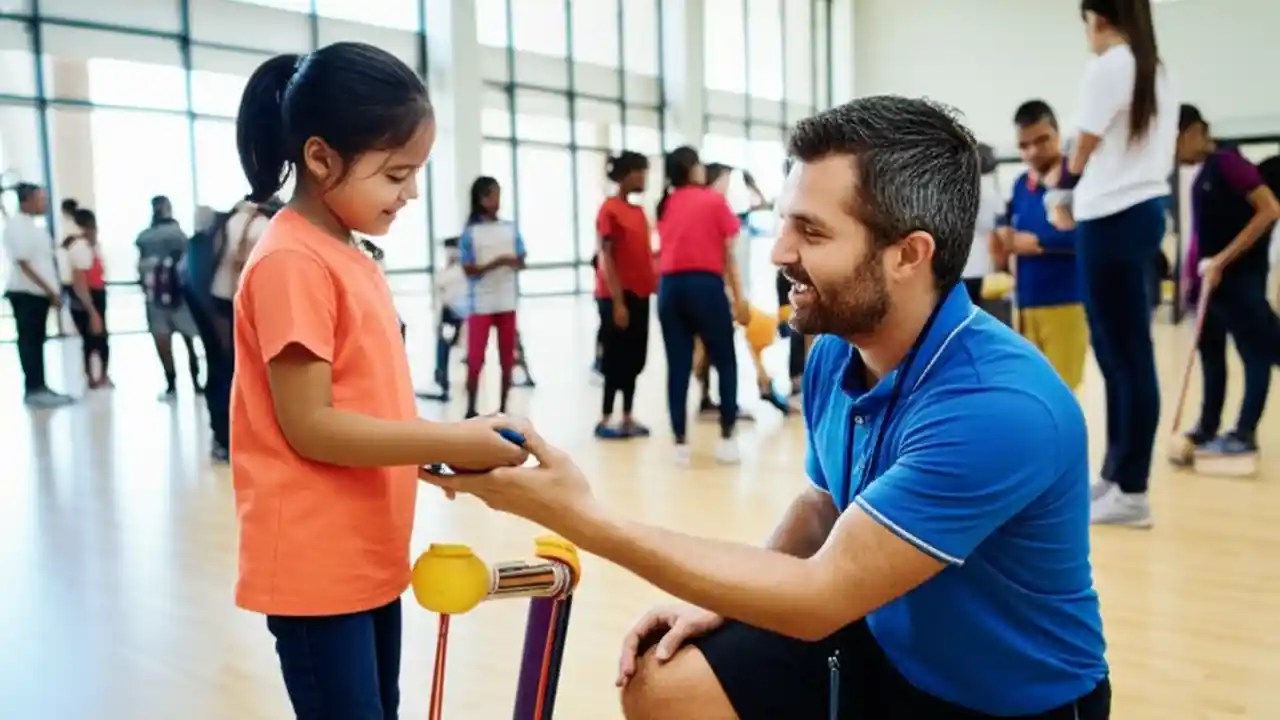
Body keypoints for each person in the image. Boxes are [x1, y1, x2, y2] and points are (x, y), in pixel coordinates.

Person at [425, 96, 1110, 719]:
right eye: (785, 222)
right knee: (664, 682)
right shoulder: (838, 350)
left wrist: (580, 517)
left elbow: (819, 598)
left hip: (1008, 705)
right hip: (884, 647)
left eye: (811, 233)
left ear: (909, 254)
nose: (779, 252)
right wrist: (712, 600)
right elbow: (821, 506)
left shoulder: (998, 407)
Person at [229, 42, 530, 719]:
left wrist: (445, 448)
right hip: (315, 564)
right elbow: (311, 426)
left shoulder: (347, 252)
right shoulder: (291, 262)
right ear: (319, 158)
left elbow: (368, 402)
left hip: (365, 551)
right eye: (397, 174)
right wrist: (446, 434)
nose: (412, 192)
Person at [1053, 0, 1176, 528]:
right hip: (1138, 213)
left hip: (1112, 217)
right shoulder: (1153, 68)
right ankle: (1118, 476)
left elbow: (1080, 151)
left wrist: (1062, 195)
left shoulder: (1109, 65)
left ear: (1097, 17)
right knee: (1121, 352)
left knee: (1123, 354)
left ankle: (1132, 490)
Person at [1171, 104, 1280, 463]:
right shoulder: (1198, 173)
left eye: (1174, 144)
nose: (1172, 155)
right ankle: (1207, 427)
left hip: (1240, 281)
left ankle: (1244, 433)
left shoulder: (1229, 163)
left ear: (1192, 133)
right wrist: (1190, 279)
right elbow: (1198, 236)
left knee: (1255, 354)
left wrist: (1223, 259)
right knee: (1211, 358)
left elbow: (1270, 209)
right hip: (1209, 286)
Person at [656, 147, 749, 466]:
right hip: (705, 286)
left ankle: (680, 442)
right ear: (693, 169)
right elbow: (728, 256)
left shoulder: (665, 203)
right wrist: (739, 299)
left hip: (669, 288)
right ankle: (727, 437)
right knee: (725, 360)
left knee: (678, 365)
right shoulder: (713, 200)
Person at [999, 100, 1088, 390]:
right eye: (1024, 145)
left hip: (1066, 302)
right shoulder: (1020, 184)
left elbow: (1090, 236)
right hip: (1025, 304)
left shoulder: (1077, 181)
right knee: (1030, 393)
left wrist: (1040, 242)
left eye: (1042, 140)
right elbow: (1010, 228)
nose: (1033, 151)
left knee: (1061, 394)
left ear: (1058, 135)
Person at [594, 151, 658, 440]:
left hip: (641, 295)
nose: (644, 178)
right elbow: (606, 257)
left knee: (634, 358)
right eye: (641, 172)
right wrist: (618, 302)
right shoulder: (609, 210)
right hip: (615, 297)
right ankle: (605, 417)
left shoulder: (639, 212)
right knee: (614, 358)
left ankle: (628, 415)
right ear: (627, 174)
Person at [459, 176, 526, 418]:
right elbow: (469, 270)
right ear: (480, 199)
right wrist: (498, 263)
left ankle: (505, 407)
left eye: (498, 195)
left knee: (508, 357)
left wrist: (511, 262)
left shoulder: (509, 228)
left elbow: (521, 259)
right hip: (481, 303)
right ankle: (470, 407)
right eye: (490, 195)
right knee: (475, 358)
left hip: (506, 300)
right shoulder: (471, 233)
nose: (495, 200)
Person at [3, 183, 74, 409]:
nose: (44, 203)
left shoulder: (33, 227)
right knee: (30, 342)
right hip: (27, 294)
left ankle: (40, 386)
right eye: (40, 199)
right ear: (27, 201)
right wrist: (50, 290)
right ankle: (33, 389)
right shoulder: (17, 227)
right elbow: (23, 263)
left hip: (38, 294)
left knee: (37, 341)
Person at [136, 194, 203, 400]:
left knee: (162, 341)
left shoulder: (144, 238)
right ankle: (196, 381)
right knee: (189, 340)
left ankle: (171, 384)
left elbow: (140, 269)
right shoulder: (180, 235)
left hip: (154, 298)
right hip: (180, 296)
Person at [63, 207, 111, 389]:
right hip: (86, 297)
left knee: (101, 338)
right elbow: (79, 282)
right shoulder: (79, 249)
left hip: (97, 294)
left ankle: (103, 375)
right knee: (90, 337)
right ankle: (91, 376)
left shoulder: (95, 248)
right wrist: (91, 310)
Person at [961, 143, 1002, 304]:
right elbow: (994, 233)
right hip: (983, 268)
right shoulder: (991, 193)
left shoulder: (960, 190)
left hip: (962, 268)